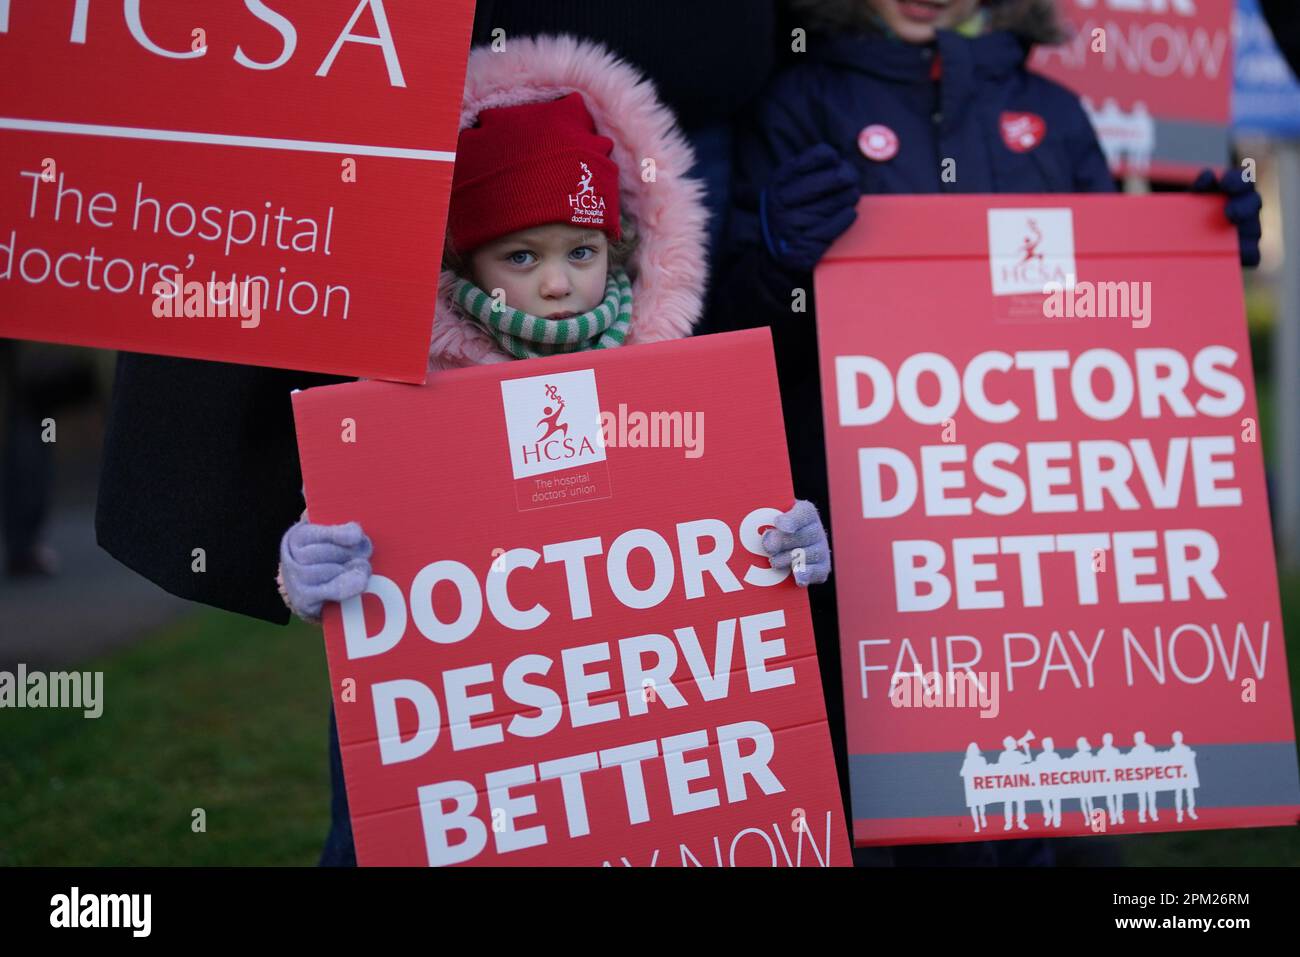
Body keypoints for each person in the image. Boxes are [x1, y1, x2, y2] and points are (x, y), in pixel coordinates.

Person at [702, 0, 1264, 866]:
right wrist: (775, 260)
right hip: (879, 547)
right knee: (903, 808)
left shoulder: (1059, 110)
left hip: (1039, 553)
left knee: (1058, 815)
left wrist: (1197, 252)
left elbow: (1119, 333)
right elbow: (740, 346)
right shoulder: (797, 100)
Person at [277, 35, 835, 866]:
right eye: (520, 256)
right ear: (464, 259)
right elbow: (372, 537)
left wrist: (788, 544)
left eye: (580, 252)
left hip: (638, 735)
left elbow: (722, 523)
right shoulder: (407, 390)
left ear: (617, 248)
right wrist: (306, 566)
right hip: (475, 744)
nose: (555, 284)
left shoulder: (672, 375)